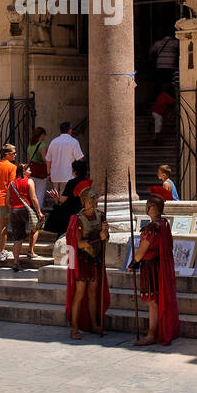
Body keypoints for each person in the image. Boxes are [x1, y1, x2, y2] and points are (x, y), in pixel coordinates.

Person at [127, 196, 180, 347]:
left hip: (150, 268)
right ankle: (153, 329)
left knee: (152, 302)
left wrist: (133, 263)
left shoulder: (151, 228)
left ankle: (151, 334)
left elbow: (140, 252)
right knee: (155, 301)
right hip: (158, 266)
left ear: (151, 208)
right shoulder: (164, 224)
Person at [65, 189, 110, 338]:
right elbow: (79, 244)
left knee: (93, 292)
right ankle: (74, 328)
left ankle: (94, 325)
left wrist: (106, 233)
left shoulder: (101, 216)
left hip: (95, 259)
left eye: (96, 198)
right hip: (82, 260)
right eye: (92, 198)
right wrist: (100, 237)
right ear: (85, 200)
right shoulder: (77, 219)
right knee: (79, 293)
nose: (96, 201)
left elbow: (105, 238)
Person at [6, 163, 43, 272]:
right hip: (26, 210)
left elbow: (7, 202)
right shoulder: (29, 181)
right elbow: (34, 198)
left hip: (14, 211)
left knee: (17, 239)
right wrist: (39, 212)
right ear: (24, 171)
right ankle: (31, 250)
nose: (30, 172)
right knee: (36, 227)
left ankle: (16, 262)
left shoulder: (11, 184)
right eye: (29, 170)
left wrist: (14, 207)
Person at [43, 158, 90, 239]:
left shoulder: (71, 183)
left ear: (75, 171)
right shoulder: (88, 182)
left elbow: (63, 199)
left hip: (70, 213)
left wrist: (56, 197)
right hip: (83, 211)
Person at [45, 122, 84, 198]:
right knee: (66, 199)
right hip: (68, 175)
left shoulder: (53, 142)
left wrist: (48, 174)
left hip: (55, 175)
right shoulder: (73, 142)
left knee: (56, 199)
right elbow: (80, 159)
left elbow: (48, 160)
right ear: (69, 130)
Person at [27, 126, 50, 206]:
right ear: (42, 135)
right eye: (44, 134)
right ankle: (39, 210)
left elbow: (28, 160)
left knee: (33, 192)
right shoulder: (42, 145)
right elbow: (44, 159)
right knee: (40, 192)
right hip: (40, 172)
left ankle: (32, 210)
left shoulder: (30, 145)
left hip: (32, 170)